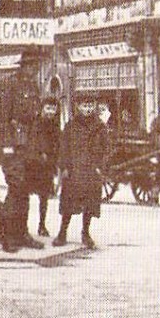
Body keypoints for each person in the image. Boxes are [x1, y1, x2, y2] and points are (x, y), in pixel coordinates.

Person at [54, 98, 110, 248]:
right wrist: (64, 167)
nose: (88, 109)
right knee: (68, 204)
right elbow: (63, 148)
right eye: (85, 106)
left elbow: (106, 150)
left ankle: (85, 233)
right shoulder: (71, 126)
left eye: (91, 105)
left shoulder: (100, 127)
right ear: (78, 107)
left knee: (90, 205)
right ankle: (62, 232)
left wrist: (100, 167)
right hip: (74, 171)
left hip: (92, 171)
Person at [28, 98, 62, 240]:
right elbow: (33, 141)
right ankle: (23, 225)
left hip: (47, 165)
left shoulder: (55, 125)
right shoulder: (36, 123)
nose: (50, 112)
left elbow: (58, 143)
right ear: (42, 108)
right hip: (34, 165)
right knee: (26, 195)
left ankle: (41, 224)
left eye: (53, 109)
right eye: (48, 108)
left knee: (44, 197)